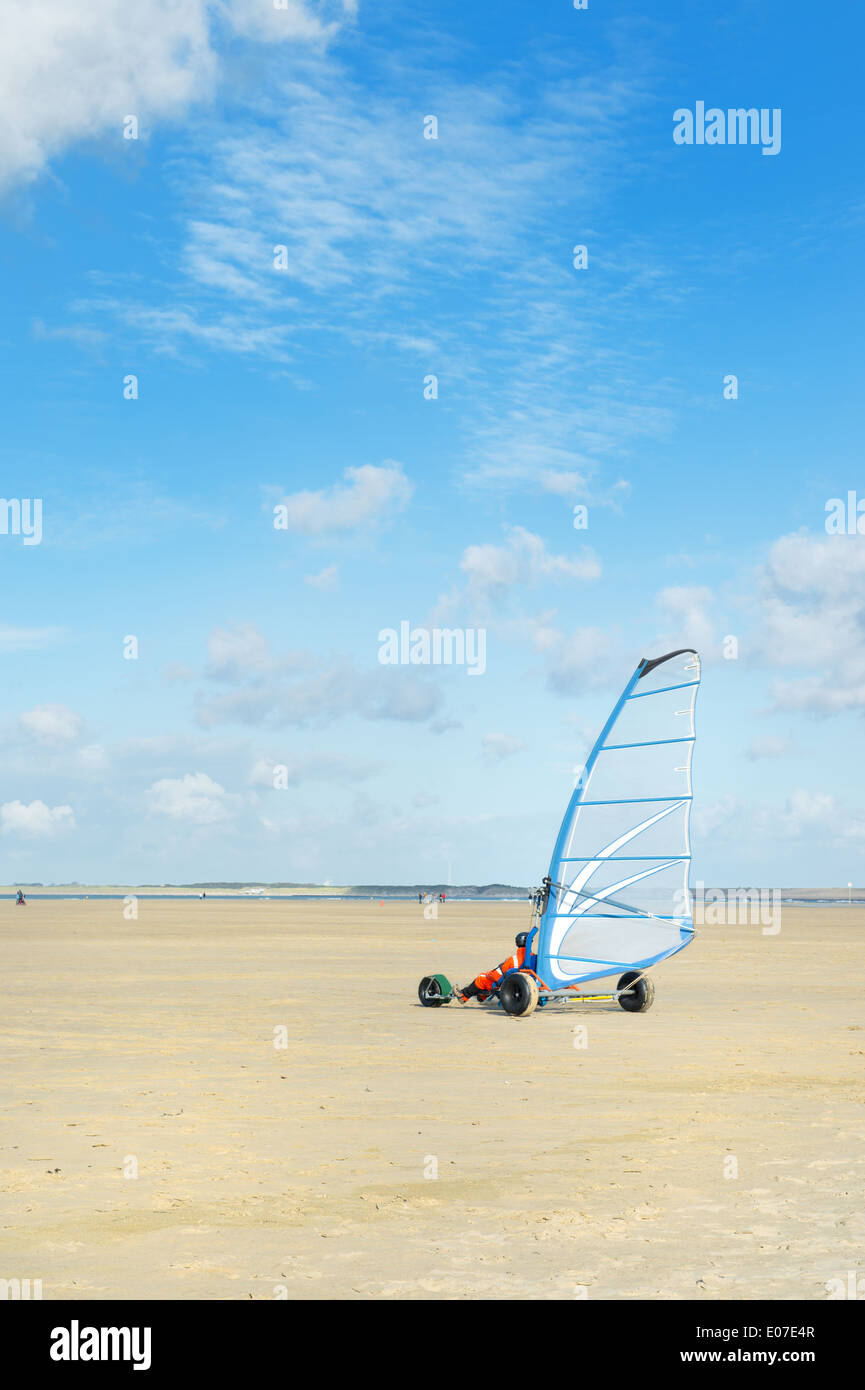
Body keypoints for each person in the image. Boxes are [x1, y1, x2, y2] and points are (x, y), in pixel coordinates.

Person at [456, 932, 530, 1002]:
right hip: (528, 983)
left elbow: (498, 974)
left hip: (510, 985)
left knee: (482, 978)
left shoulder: (513, 959)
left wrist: (489, 975)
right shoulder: (535, 958)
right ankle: (481, 996)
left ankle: (463, 996)